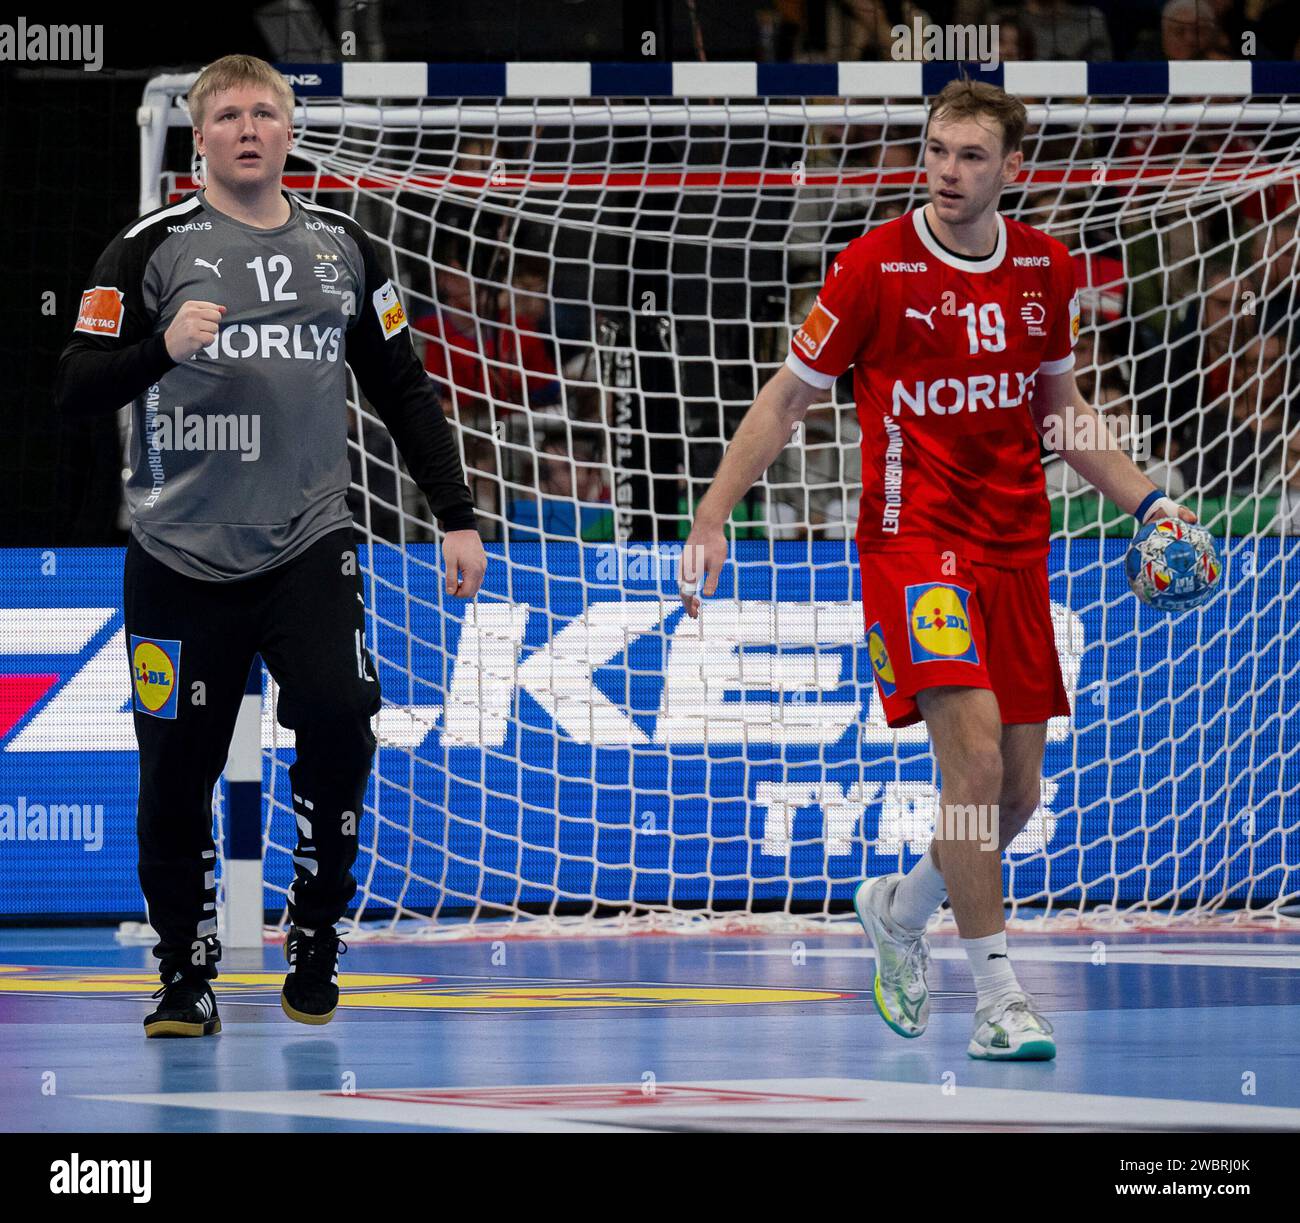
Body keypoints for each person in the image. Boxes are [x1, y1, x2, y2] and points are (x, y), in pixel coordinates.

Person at [680, 78, 1198, 1061]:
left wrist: (1149, 500)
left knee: (1017, 796)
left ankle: (900, 907)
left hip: (1014, 544)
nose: (946, 172)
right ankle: (999, 998)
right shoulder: (873, 266)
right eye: (934, 151)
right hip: (913, 545)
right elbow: (787, 400)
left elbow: (1061, 412)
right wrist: (713, 510)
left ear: (1012, 169)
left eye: (968, 156)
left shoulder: (1045, 269)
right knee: (972, 764)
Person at [54, 54, 487, 1038]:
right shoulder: (147, 248)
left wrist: (456, 514)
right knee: (174, 772)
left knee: (340, 714)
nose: (248, 129)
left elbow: (403, 386)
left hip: (308, 541)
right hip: (176, 553)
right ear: (198, 138)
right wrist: (159, 349)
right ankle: (183, 968)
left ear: (288, 131)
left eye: (264, 113)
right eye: (228, 116)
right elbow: (74, 383)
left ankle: (317, 928)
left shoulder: (343, 249)